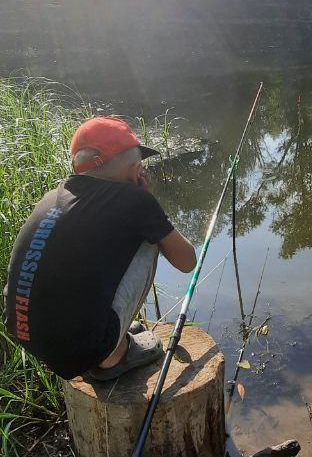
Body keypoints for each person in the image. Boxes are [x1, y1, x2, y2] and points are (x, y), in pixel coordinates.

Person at [3, 115, 197, 382]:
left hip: (27, 336)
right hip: (85, 352)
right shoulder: (135, 199)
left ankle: (107, 332)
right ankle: (113, 354)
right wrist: (149, 201)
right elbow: (187, 261)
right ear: (135, 168)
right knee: (151, 240)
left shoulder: (51, 198)